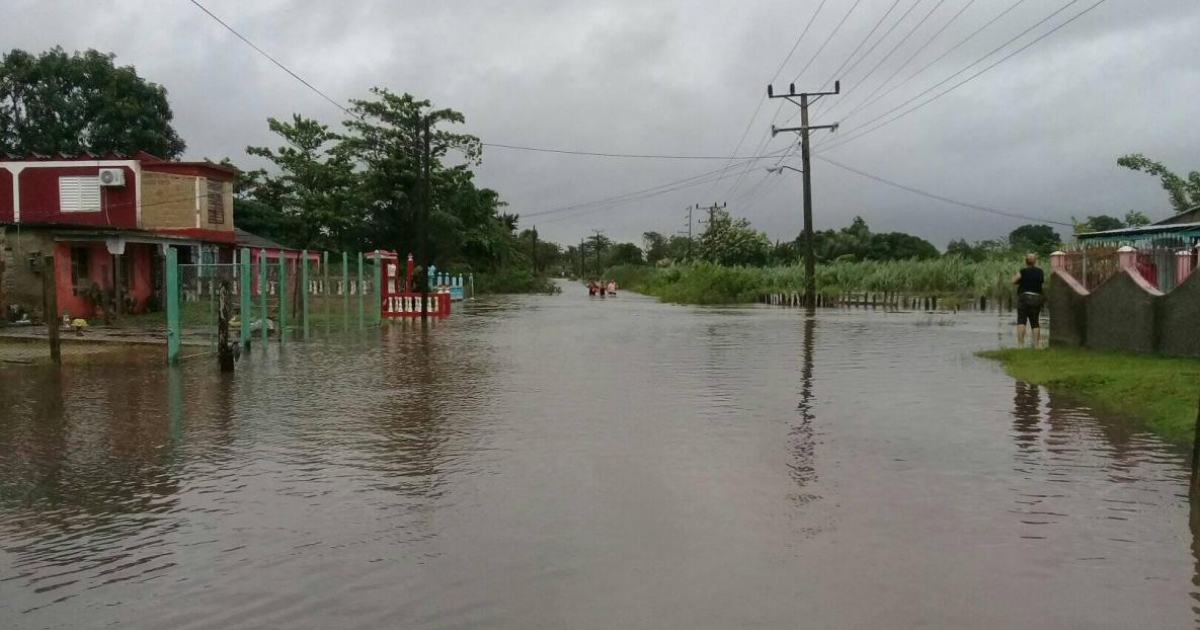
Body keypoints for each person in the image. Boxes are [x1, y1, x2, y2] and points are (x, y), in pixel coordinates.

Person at [1011, 253, 1045, 349]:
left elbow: (1013, 281)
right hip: (1037, 298)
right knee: (1035, 322)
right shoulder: (1040, 272)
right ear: (1035, 261)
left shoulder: (1023, 271)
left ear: (1026, 261)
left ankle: (1021, 345)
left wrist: (1019, 280)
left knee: (1021, 320)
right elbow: (1040, 281)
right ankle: (1036, 345)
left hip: (1024, 297)